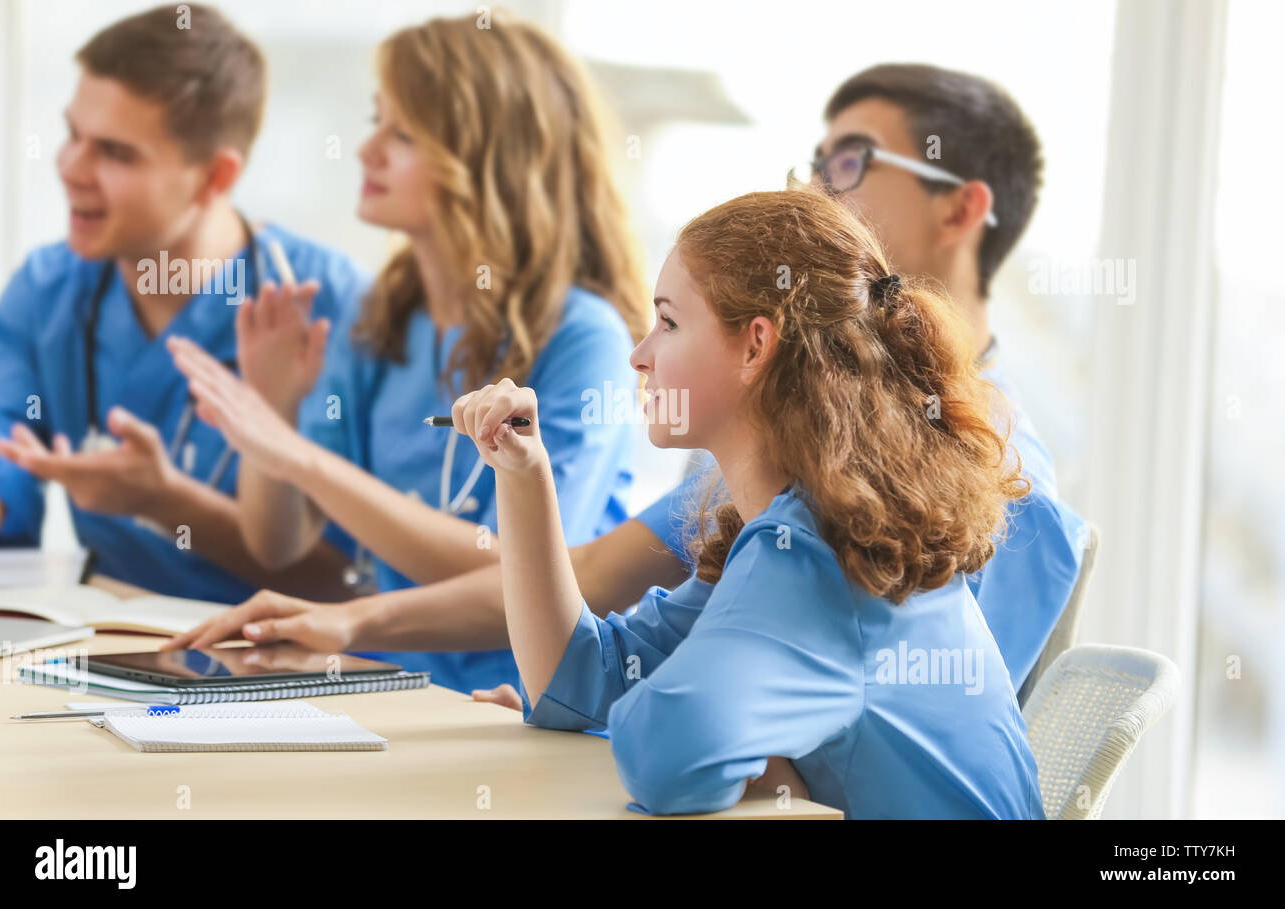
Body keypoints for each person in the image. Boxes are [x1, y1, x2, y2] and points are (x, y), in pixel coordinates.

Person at [169, 63, 1085, 702]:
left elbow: (907, 744)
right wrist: (349, 623)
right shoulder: (774, 441)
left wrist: (621, 721)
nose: (813, 185)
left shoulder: (1007, 487)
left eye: (847, 161)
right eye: (812, 160)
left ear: (963, 206)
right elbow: (593, 584)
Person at [447, 189, 1045, 817]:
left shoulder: (814, 550)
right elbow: (577, 681)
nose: (639, 355)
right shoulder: (797, 530)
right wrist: (522, 474)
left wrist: (755, 758)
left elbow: (664, 760)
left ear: (756, 347)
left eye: (670, 323)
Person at [166, 13, 647, 694]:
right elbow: (279, 543)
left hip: (537, 707)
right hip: (404, 698)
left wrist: (300, 455)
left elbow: (526, 568)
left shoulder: (584, 338)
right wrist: (272, 409)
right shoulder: (379, 321)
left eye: (403, 134)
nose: (366, 151)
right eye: (375, 122)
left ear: (488, 159)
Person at [0, 4, 366, 603]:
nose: (69, 168)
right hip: (117, 651)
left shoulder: (335, 312)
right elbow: (0, 459)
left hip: (301, 670)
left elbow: (354, 581)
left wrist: (164, 501)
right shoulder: (45, 292)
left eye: (114, 152)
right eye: (72, 135)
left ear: (215, 177)